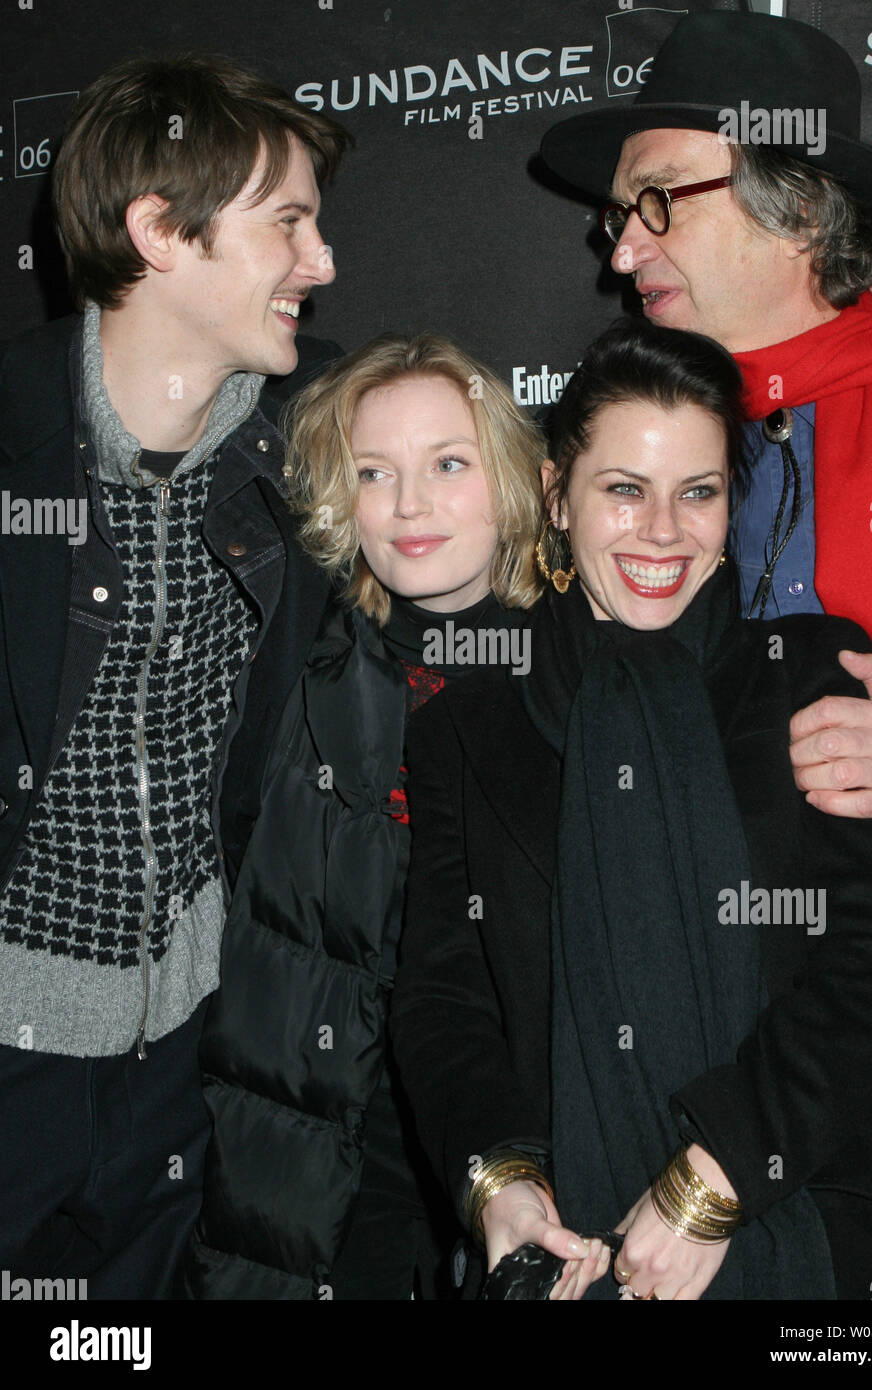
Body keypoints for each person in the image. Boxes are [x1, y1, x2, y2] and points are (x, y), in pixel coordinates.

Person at [390, 318, 872, 1301]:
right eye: (623, 490)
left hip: (807, 1222)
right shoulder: (469, 726)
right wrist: (501, 1186)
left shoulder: (809, 675)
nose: (662, 530)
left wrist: (713, 1177)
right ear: (558, 497)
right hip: (562, 1250)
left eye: (696, 492)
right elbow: (445, 1002)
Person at [538, 10, 872, 1233]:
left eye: (657, 200)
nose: (622, 252)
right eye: (619, 214)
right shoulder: (624, 450)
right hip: (678, 1075)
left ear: (802, 207)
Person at [0, 53, 349, 1298]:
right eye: (288, 225)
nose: (320, 262)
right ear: (158, 231)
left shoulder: (320, 435)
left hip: (194, 1057)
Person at [183, 333, 545, 1299]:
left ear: (512, 476)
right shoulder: (297, 675)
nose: (410, 504)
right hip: (324, 1166)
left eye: (448, 464)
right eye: (373, 472)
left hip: (525, 1148)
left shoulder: (579, 674)